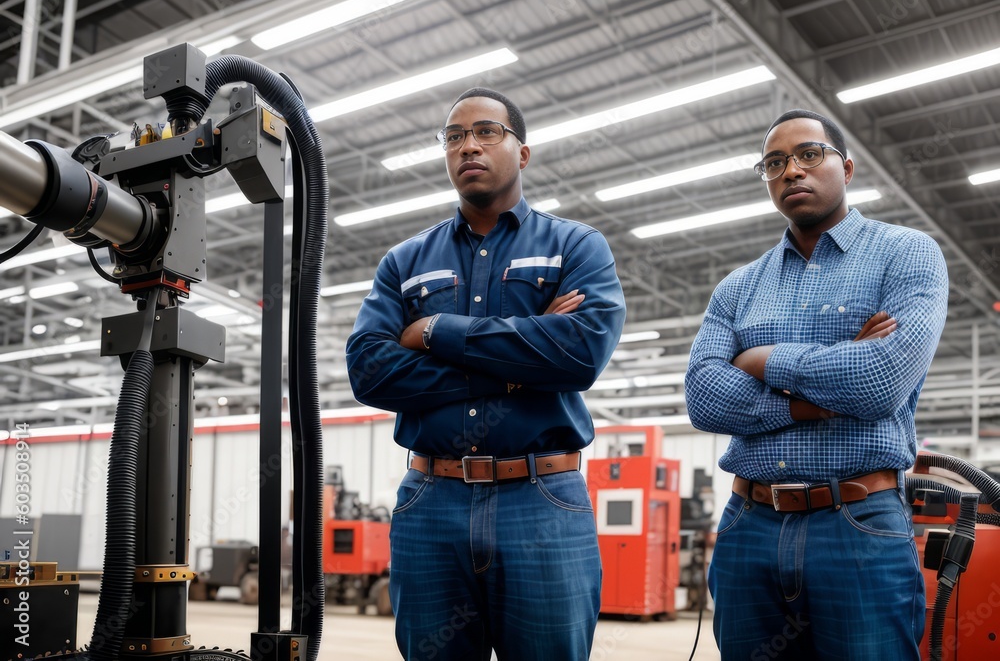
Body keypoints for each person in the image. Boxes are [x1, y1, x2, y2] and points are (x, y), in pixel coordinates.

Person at [346, 87, 626, 660]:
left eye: (485, 132)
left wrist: (433, 331)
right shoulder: (403, 262)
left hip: (542, 498)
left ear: (522, 153)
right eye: (454, 138)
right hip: (431, 501)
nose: (468, 146)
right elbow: (370, 370)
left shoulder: (576, 245)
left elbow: (580, 354)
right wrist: (521, 362)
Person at [685, 109, 948, 660]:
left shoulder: (906, 254)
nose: (791, 171)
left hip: (858, 525)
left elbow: (880, 381)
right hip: (749, 528)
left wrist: (759, 358)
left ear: (846, 167)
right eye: (775, 163)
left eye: (809, 155)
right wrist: (822, 391)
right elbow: (704, 396)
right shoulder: (739, 287)